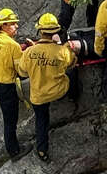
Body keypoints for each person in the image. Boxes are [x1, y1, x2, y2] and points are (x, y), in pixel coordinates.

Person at [18, 13, 78, 162]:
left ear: (40, 31)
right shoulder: (62, 51)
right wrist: (59, 45)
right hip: (59, 91)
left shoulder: (29, 52)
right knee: (73, 73)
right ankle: (74, 96)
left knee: (41, 120)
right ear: (56, 32)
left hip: (39, 96)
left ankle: (42, 150)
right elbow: (72, 62)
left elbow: (22, 72)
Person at [0, 8, 29, 160]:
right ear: (3, 26)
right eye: (13, 24)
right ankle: (14, 151)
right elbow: (21, 71)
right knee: (10, 122)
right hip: (5, 88)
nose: (16, 26)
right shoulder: (13, 46)